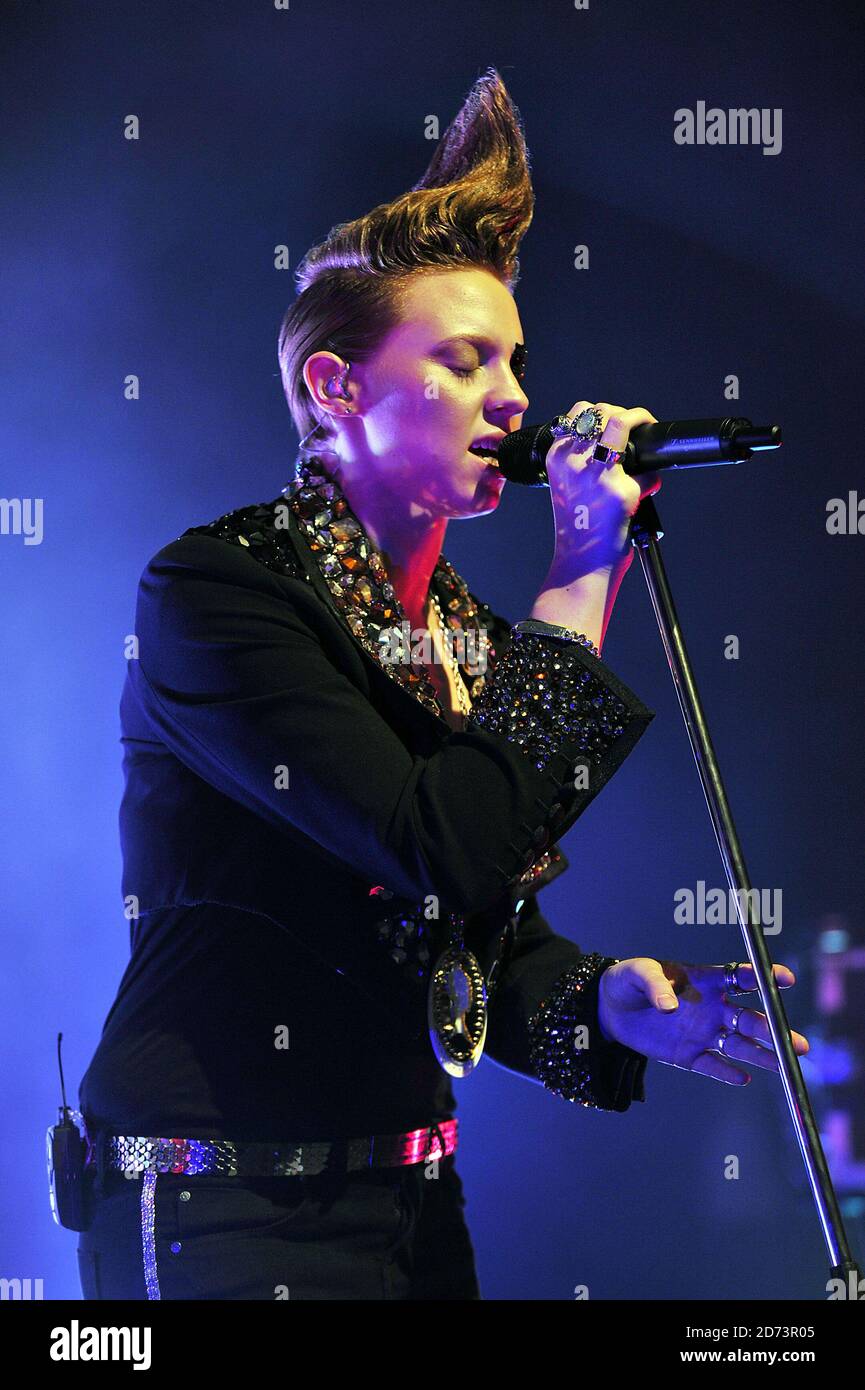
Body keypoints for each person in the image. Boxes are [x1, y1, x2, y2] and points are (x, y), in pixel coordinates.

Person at [75, 67, 808, 1301]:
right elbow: (435, 845)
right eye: (465, 361)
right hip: (225, 1199)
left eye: (513, 360)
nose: (516, 397)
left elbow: (455, 931)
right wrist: (582, 570)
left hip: (408, 1191)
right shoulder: (220, 594)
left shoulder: (457, 629)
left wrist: (613, 1006)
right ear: (336, 388)